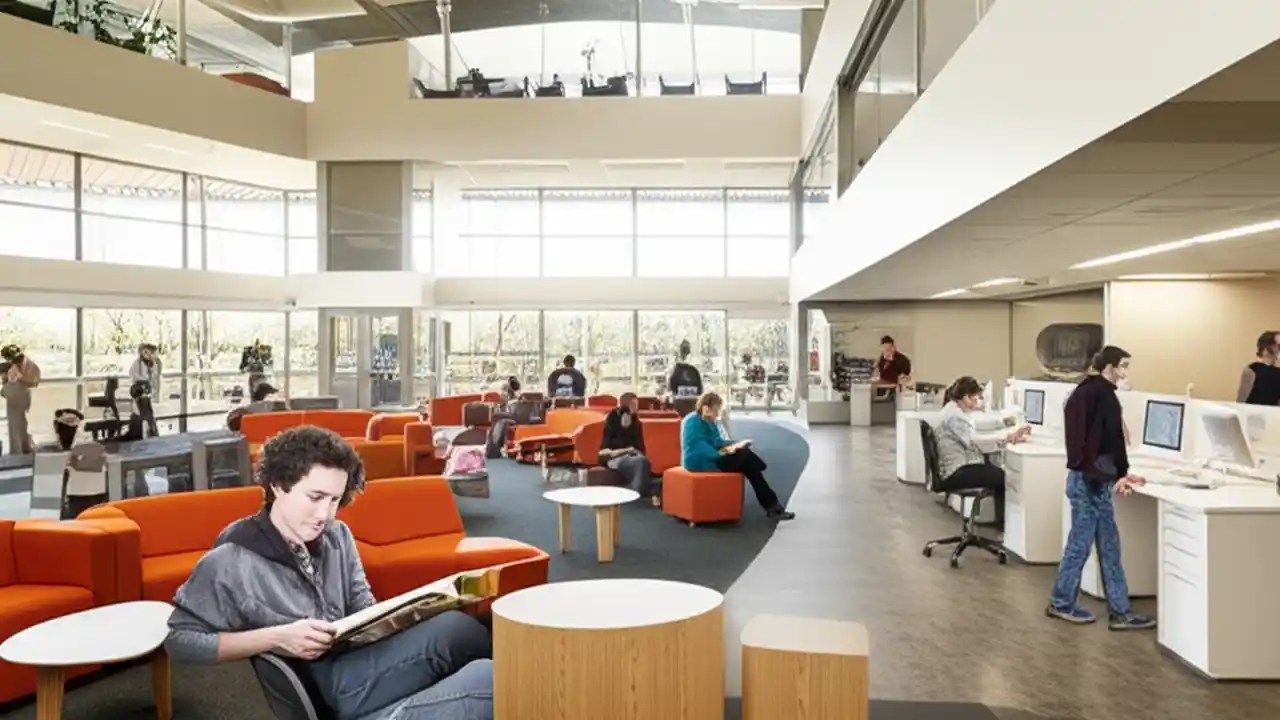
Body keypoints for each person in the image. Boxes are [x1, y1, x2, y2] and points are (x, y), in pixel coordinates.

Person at [165, 427, 495, 720]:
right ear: (278, 485)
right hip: (327, 686)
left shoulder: (337, 535)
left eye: (335, 499)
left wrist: (407, 612)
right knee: (489, 679)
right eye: (315, 497)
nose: (325, 514)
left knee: (459, 628)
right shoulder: (231, 559)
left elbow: (361, 603)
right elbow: (179, 641)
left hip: (357, 657)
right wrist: (278, 636)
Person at [1046, 346, 1156, 631]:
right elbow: (1113, 440)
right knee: (1087, 545)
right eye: (1123, 366)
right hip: (1093, 480)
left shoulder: (1083, 390)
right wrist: (1122, 473)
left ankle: (1120, 611)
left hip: (1085, 476)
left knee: (1104, 545)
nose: (1125, 373)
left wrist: (1118, 473)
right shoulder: (1104, 395)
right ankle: (1062, 603)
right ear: (1108, 367)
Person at [933, 376, 1030, 529]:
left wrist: (1003, 423)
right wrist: (1008, 438)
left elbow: (976, 426)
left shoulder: (953, 411)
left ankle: (1001, 524)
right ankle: (1005, 528)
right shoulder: (953, 416)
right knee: (1004, 477)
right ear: (966, 397)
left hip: (954, 467)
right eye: (976, 398)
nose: (978, 403)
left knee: (995, 471)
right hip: (957, 471)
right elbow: (979, 442)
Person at [680, 392, 794, 521]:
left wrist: (735, 444)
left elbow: (717, 441)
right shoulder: (691, 422)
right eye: (716, 409)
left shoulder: (710, 421)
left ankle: (772, 505)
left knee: (746, 459)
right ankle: (772, 504)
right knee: (747, 461)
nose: (718, 414)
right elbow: (698, 447)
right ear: (706, 408)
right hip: (701, 462)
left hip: (715, 457)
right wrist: (722, 452)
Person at [599, 392, 656, 501]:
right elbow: (606, 450)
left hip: (632, 455)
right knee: (641, 462)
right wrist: (627, 450)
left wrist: (631, 451)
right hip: (614, 458)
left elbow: (640, 447)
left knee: (643, 460)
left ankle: (636, 491)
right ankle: (637, 491)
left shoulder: (636, 422)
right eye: (634, 405)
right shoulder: (612, 419)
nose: (636, 408)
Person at [1, 345, 40, 455]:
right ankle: (25, 448)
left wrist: (8, 383)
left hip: (16, 395)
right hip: (22, 395)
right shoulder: (29, 364)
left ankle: (17, 452)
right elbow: (34, 382)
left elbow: (28, 382)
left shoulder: (16, 366)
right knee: (21, 423)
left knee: (15, 425)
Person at [1237, 331, 1280, 405]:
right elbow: (1241, 400)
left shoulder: (1278, 372)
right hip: (1252, 413)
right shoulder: (1251, 370)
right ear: (1267, 347)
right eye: (1279, 346)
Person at [129, 343, 162, 437]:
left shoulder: (153, 363)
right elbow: (134, 376)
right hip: (140, 391)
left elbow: (155, 376)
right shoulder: (138, 363)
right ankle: (149, 433)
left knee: (145, 413)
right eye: (146, 352)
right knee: (145, 413)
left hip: (146, 391)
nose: (149, 355)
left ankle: (147, 432)